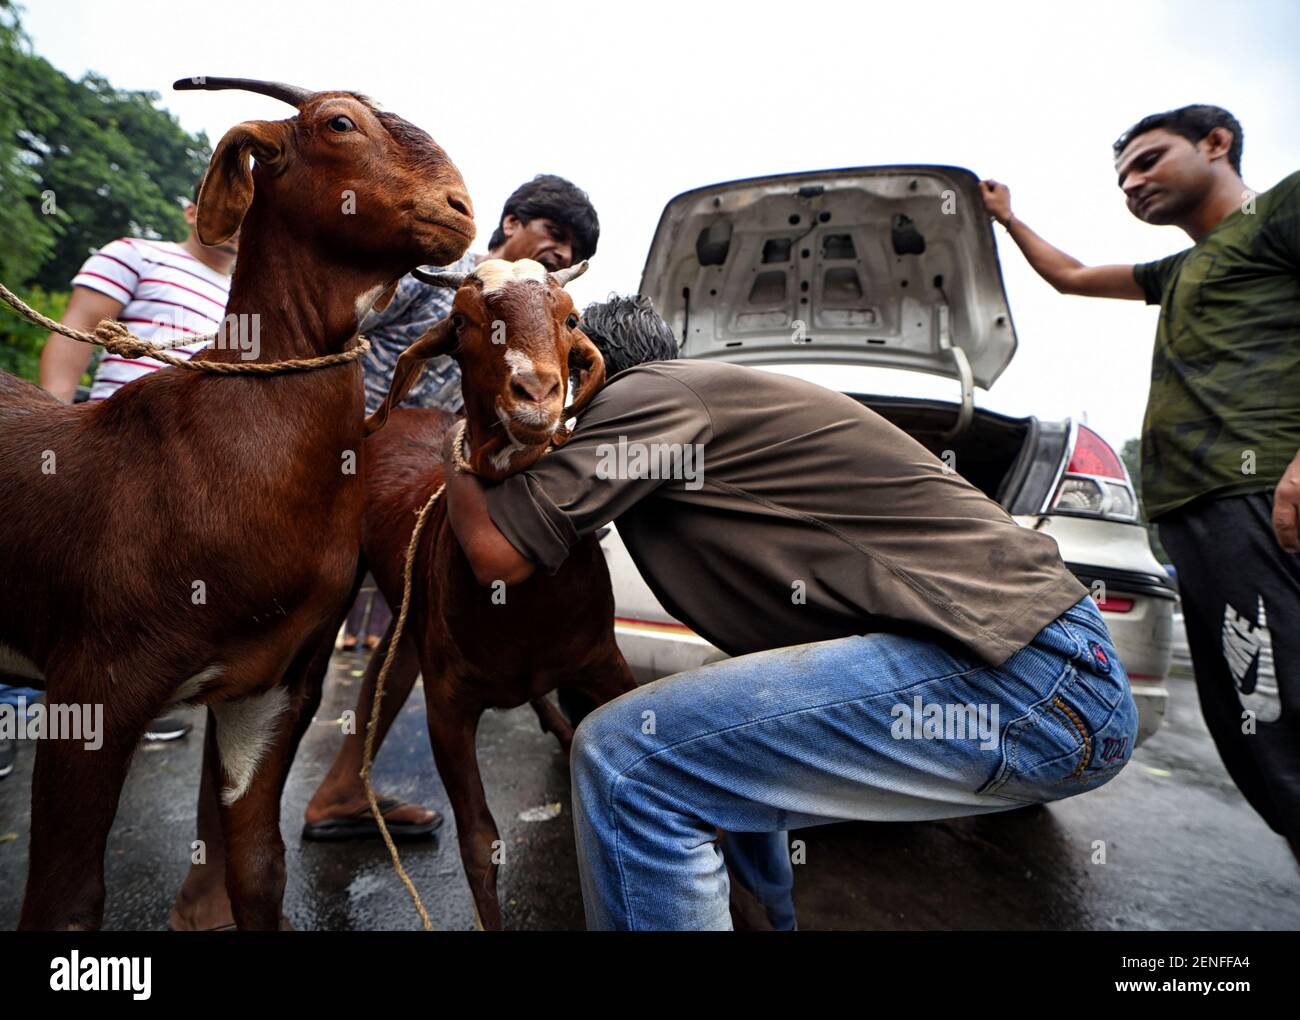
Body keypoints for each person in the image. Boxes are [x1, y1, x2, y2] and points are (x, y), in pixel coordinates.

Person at [436, 309, 1139, 930]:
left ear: (589, 369)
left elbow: (496, 557)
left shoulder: (650, 392)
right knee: (716, 738)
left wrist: (460, 444)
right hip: (1058, 686)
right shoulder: (703, 419)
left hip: (1036, 680)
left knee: (628, 761)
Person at [980, 104, 1300, 864]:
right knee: (1253, 733)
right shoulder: (1183, 266)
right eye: (1123, 175)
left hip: (1261, 493)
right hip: (1201, 509)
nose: (1133, 183)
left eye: (1150, 160)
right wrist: (1009, 219)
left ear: (1216, 143)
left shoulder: (1281, 212)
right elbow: (1071, 277)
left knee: (1279, 718)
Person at [301, 173, 601, 841]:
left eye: (573, 247)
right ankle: (240, 846)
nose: (558, 252)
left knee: (414, 629)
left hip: (428, 479)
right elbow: (333, 319)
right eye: (554, 233)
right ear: (513, 220)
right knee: (305, 635)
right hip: (352, 455)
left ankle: (341, 788)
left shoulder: (540, 307)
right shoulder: (439, 272)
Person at [35, 183, 239, 742]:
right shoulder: (137, 253)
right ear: (193, 210)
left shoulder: (243, 299)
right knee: (50, 586)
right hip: (110, 451)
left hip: (189, 471)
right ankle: (15, 707)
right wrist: (50, 429)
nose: (240, 221)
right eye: (228, 206)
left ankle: (120, 704)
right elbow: (75, 331)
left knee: (135, 594)